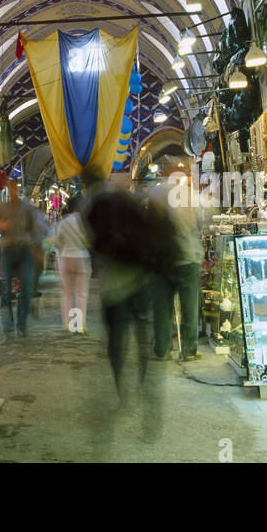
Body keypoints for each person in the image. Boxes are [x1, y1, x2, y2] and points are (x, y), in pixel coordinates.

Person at [85, 176, 176, 402]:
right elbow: (157, 246)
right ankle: (144, 383)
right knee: (141, 336)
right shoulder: (136, 212)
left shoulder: (98, 210)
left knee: (116, 341)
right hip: (137, 284)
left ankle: (120, 388)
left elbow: (95, 245)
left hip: (113, 289)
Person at [151, 165, 203, 361]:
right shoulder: (189, 194)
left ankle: (162, 349)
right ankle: (189, 350)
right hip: (188, 256)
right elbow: (202, 220)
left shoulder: (157, 191)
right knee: (189, 305)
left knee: (162, 307)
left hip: (162, 259)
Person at [0, 174, 48, 341]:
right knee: (6, 291)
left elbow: (35, 231)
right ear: (7, 188)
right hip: (7, 251)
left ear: (19, 188)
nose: (13, 189)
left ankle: (21, 326)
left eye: (15, 186)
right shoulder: (1, 208)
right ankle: (8, 329)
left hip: (24, 251)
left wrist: (37, 250)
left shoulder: (28, 208)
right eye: (11, 186)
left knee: (25, 290)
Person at [54, 195, 91, 333]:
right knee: (81, 293)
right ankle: (80, 326)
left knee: (67, 293)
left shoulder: (62, 222)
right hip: (81, 258)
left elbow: (58, 243)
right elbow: (90, 241)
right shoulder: (84, 221)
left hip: (65, 258)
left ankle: (68, 325)